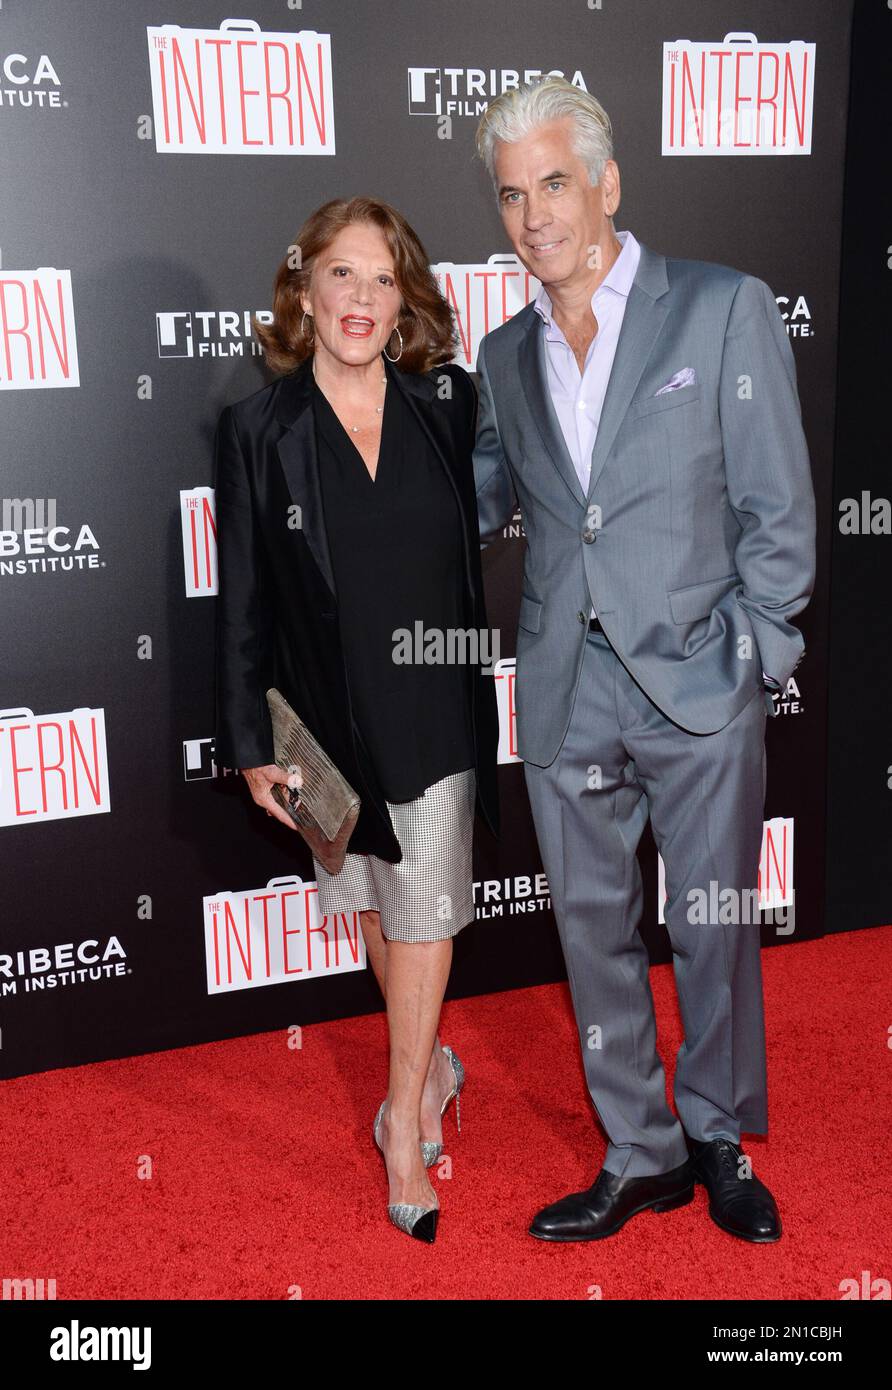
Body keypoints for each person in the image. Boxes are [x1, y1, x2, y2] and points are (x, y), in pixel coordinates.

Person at [472, 77, 815, 1243]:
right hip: (568, 688)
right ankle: (640, 1151)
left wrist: (756, 650)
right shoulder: (503, 352)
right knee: (591, 933)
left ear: (608, 184)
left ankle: (715, 1134)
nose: (534, 217)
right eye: (513, 194)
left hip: (698, 682)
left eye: (555, 183)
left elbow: (778, 502)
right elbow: (482, 497)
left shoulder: (719, 308)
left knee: (710, 921)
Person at [213, 196, 499, 1243]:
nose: (362, 298)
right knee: (377, 908)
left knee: (421, 915)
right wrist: (249, 744)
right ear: (304, 286)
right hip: (324, 722)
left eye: (383, 278)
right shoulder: (258, 428)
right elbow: (239, 594)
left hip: (430, 703)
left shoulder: (445, 404)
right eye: (342, 273)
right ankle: (436, 1069)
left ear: (405, 295)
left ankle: (400, 1120)